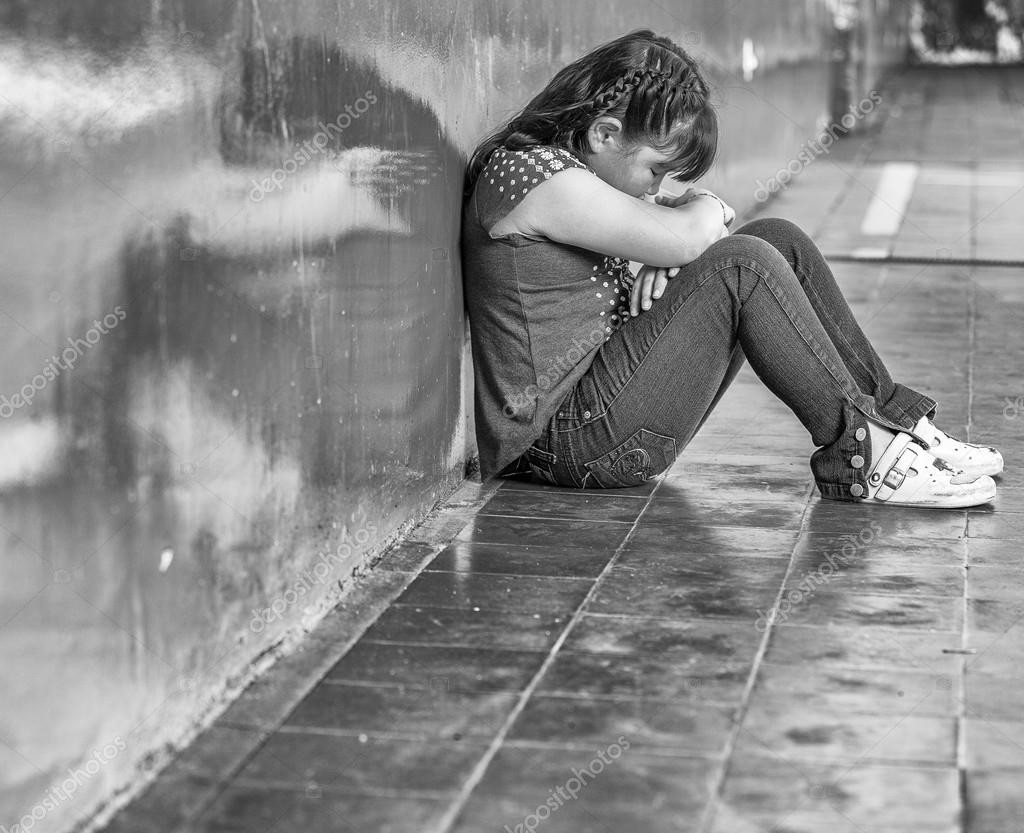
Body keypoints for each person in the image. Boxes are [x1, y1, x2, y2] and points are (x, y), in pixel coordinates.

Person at [459, 28, 1002, 508]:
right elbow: (688, 234)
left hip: (602, 414)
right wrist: (696, 224)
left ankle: (893, 424)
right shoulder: (534, 176)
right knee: (742, 264)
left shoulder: (578, 172)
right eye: (655, 170)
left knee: (776, 240)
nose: (657, 188)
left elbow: (682, 237)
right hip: (563, 440)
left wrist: (678, 248)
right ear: (604, 133)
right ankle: (867, 458)